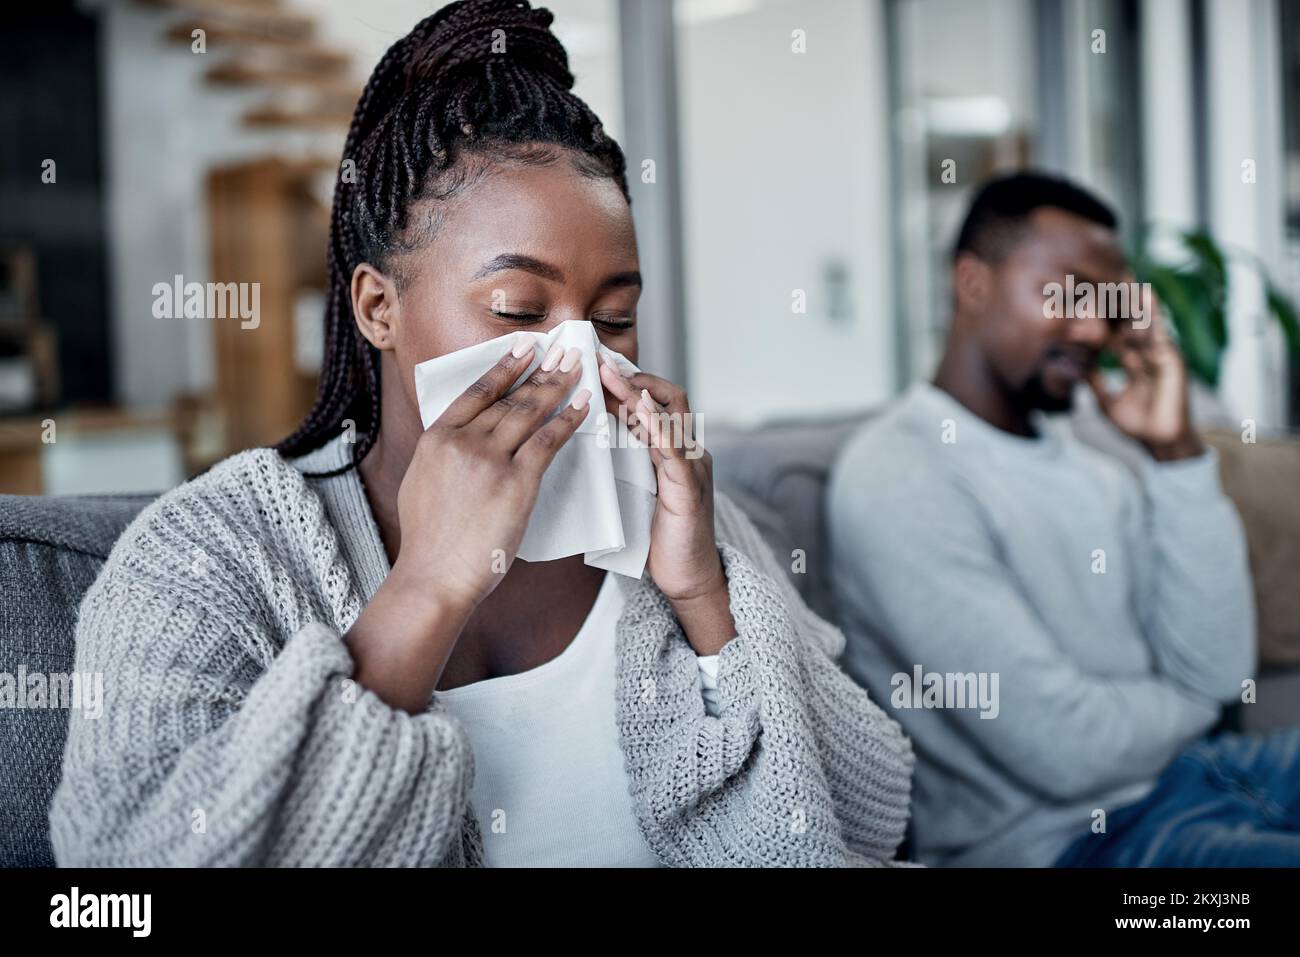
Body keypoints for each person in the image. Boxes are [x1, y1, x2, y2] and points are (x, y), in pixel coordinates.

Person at [49, 0, 913, 868]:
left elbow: (869, 820)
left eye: (614, 318)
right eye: (516, 309)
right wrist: (425, 589)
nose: (575, 357)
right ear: (378, 307)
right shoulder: (212, 553)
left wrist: (705, 601)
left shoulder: (671, 513)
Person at [826, 171, 1299, 868]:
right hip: (1082, 844)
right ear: (973, 282)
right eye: (1067, 292)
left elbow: (1217, 665)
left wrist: (1176, 450)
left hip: (1208, 776)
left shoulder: (1100, 461)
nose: (1091, 328)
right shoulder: (899, 472)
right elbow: (1066, 750)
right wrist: (1194, 701)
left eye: (1106, 302)